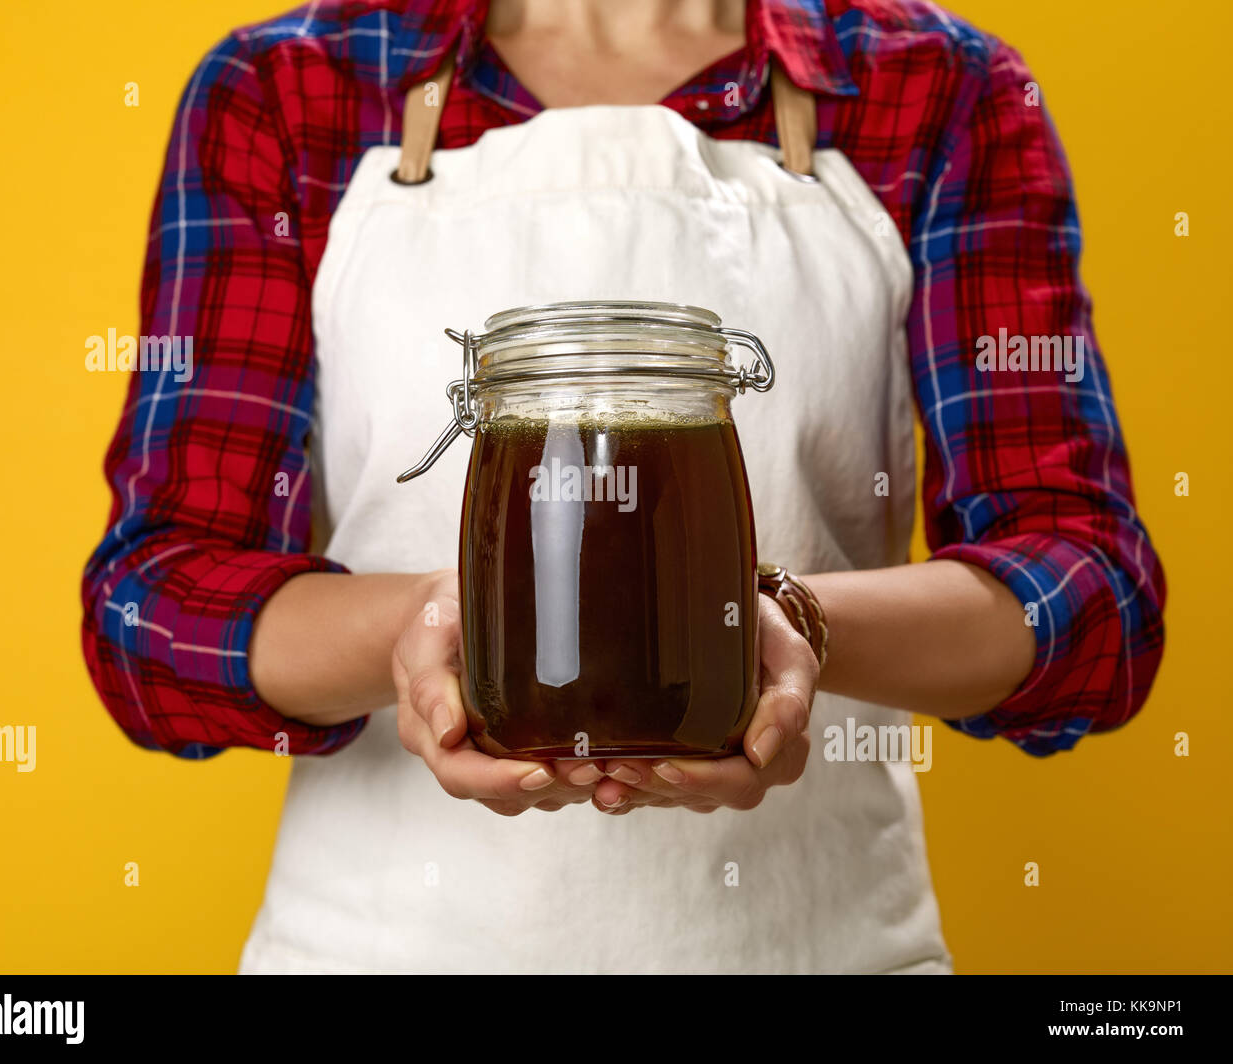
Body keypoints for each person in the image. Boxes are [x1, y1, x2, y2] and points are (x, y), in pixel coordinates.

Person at [82, 0, 1166, 973]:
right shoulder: (286, 87)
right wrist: (423, 629)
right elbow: (150, 602)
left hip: (818, 946)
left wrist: (795, 623)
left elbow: (1088, 593)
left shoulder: (938, 87)